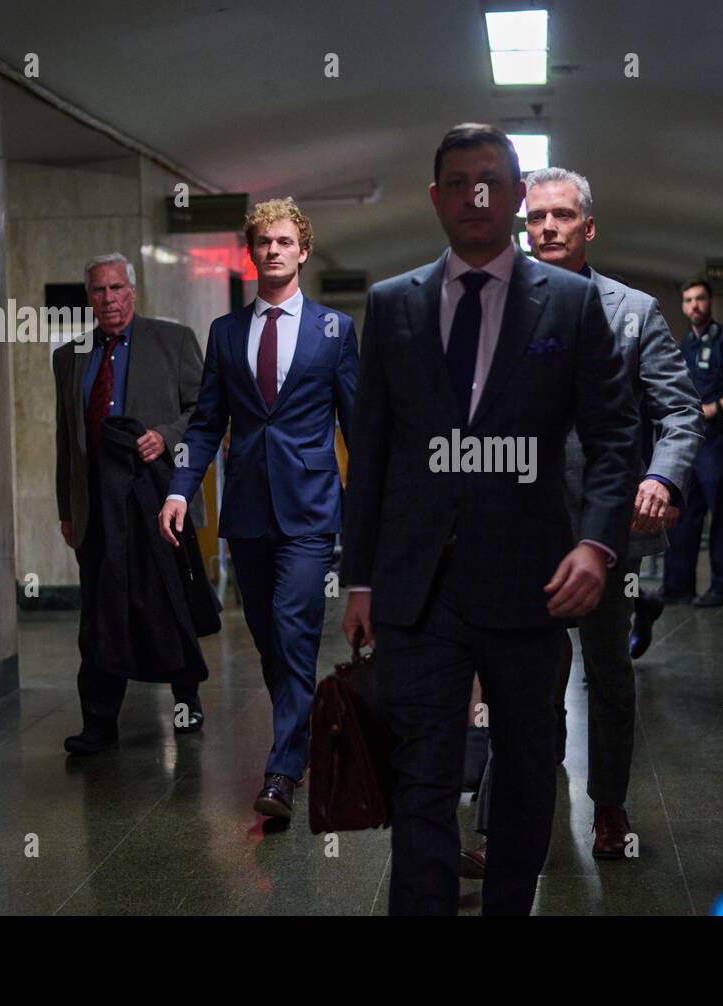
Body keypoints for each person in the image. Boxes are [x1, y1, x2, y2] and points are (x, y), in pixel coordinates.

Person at [340, 124, 639, 915]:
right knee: (424, 773)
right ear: (436, 197)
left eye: (491, 180)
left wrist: (597, 542)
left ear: (511, 199)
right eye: (458, 180)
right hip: (417, 588)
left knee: (527, 765)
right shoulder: (393, 304)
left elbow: (615, 435)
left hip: (530, 581)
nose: (475, 194)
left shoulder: (569, 305)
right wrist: (360, 577)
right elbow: (370, 452)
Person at [464, 166, 700, 869]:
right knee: (518, 678)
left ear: (587, 227)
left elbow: (679, 412)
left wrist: (660, 475)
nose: (546, 228)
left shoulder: (632, 312)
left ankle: (610, 808)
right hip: (519, 528)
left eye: (562, 216)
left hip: (604, 532)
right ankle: (502, 820)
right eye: (535, 217)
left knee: (607, 674)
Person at [160, 199, 358, 821]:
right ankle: (300, 735)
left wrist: (378, 512)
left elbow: (358, 426)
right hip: (245, 509)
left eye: (282, 242)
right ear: (251, 255)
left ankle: (281, 771)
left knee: (296, 631)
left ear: (302, 251)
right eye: (262, 243)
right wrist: (178, 488)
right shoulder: (225, 333)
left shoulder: (334, 330)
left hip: (308, 510)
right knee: (269, 638)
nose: (272, 251)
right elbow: (205, 421)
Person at [54, 253, 206, 754]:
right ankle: (98, 722)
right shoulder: (70, 356)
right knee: (99, 613)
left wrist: (165, 437)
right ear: (89, 298)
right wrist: (67, 508)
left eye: (117, 288)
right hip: (97, 505)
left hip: (158, 496)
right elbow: (65, 438)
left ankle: (186, 702)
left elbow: (204, 411)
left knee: (169, 599)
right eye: (98, 291)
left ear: (133, 292)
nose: (109, 299)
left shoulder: (173, 340)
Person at [660, 277, 723, 610]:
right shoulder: (684, 345)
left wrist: (717, 406)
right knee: (682, 515)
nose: (694, 305)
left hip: (719, 443)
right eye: (688, 300)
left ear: (710, 303)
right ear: (683, 306)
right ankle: (676, 587)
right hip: (690, 445)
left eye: (699, 298)